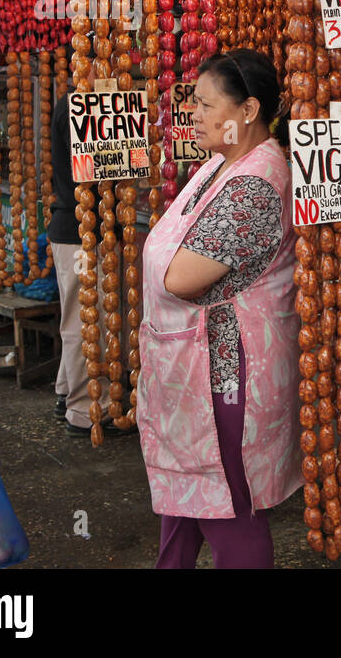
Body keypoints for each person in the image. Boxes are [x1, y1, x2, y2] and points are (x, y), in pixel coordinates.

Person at [139, 49, 300, 568]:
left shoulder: (256, 183)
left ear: (249, 111)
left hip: (225, 371)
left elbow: (183, 278)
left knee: (229, 507)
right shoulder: (219, 165)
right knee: (185, 498)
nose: (194, 115)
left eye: (207, 105)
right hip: (192, 367)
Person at [48, 82, 128, 437]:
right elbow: (95, 172)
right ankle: (83, 411)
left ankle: (66, 392)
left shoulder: (94, 106)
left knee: (79, 313)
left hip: (91, 230)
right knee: (83, 318)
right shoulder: (77, 108)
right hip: (81, 233)